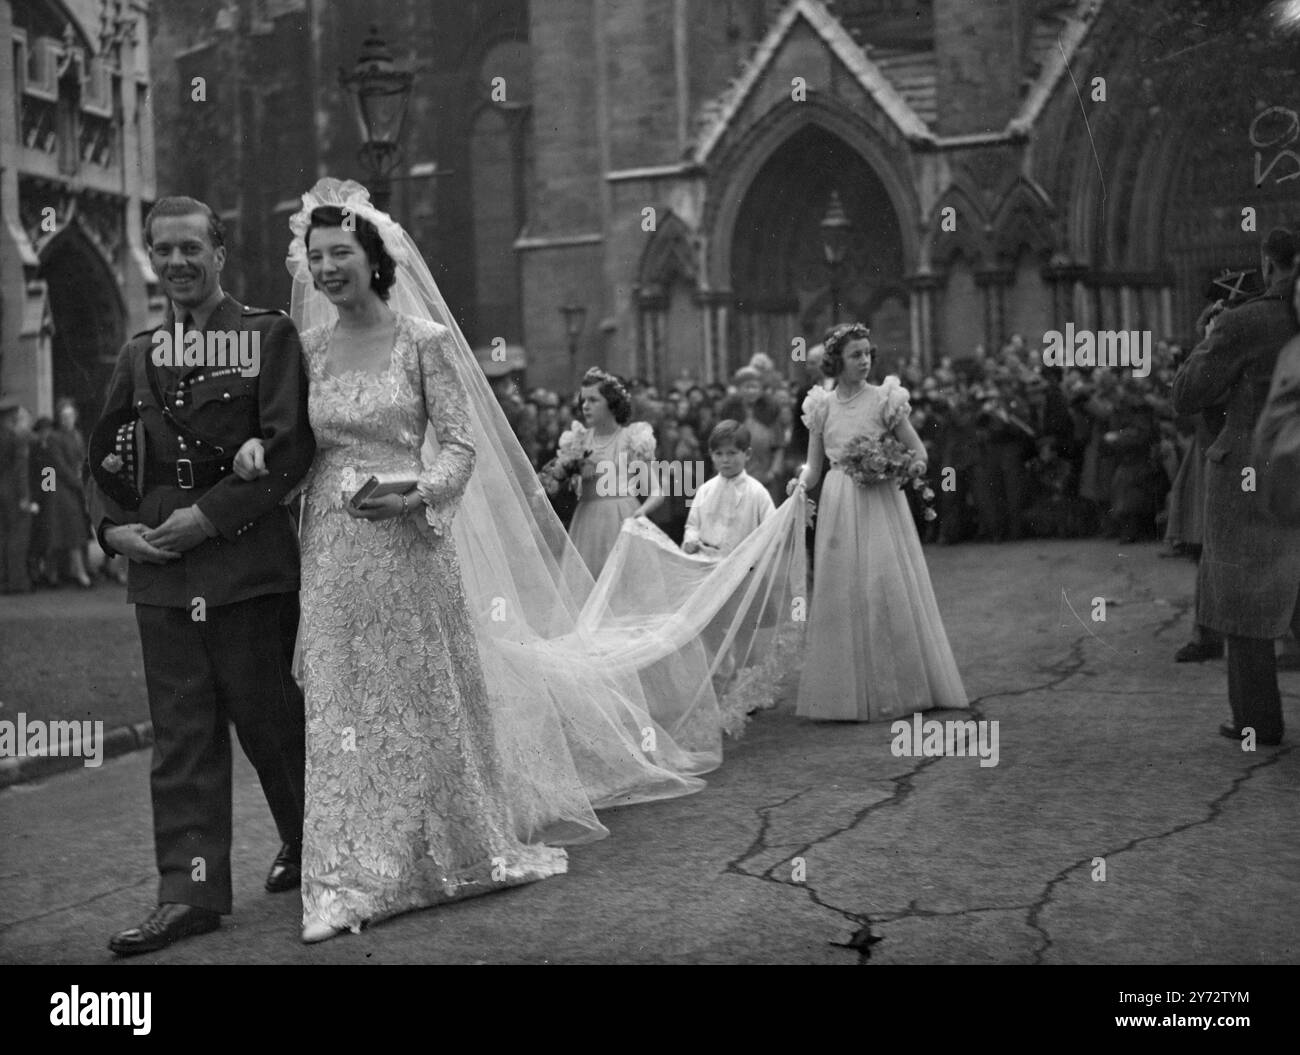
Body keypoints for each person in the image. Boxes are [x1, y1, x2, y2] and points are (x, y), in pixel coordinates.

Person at [88, 196, 316, 956]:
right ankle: (189, 895)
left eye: (192, 248)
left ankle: (312, 840)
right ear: (151, 259)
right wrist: (112, 529)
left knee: (271, 724)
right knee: (181, 742)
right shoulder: (138, 354)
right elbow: (104, 461)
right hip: (160, 577)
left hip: (247, 571)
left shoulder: (265, 337)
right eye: (164, 250)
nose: (178, 262)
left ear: (219, 250)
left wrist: (209, 517)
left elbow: (289, 451)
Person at [789, 323, 966, 721]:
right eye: (856, 355)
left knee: (881, 586)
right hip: (838, 501)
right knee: (842, 591)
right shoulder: (821, 406)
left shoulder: (885, 400)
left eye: (868, 353)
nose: (865, 361)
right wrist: (799, 484)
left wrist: (900, 466)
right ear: (837, 361)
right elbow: (815, 467)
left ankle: (898, 689)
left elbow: (918, 452)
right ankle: (844, 697)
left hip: (879, 501)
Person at [1172, 227, 1300, 747]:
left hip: (1255, 464)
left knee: (1246, 590)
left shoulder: (1248, 321)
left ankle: (1256, 721)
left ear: (1270, 265)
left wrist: (1211, 338)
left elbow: (1187, 393)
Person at [566, 367, 663, 578]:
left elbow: (656, 492)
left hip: (623, 521)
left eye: (593, 400)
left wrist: (641, 512)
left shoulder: (632, 438)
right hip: (587, 524)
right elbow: (574, 490)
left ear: (611, 403)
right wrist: (575, 476)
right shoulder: (579, 441)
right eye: (583, 400)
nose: (585, 406)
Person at [682, 420, 775, 558]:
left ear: (747, 454)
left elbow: (772, 528)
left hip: (742, 564)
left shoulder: (757, 492)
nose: (725, 459)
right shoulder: (705, 490)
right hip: (704, 561)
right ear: (711, 455)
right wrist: (691, 540)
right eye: (719, 454)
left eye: (732, 453)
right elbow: (693, 525)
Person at [46, 398, 93, 588]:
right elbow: (59, 466)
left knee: (70, 531)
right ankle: (79, 573)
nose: (68, 420)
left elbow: (81, 460)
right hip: (62, 490)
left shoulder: (77, 435)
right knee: (70, 531)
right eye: (64, 417)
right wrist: (79, 483)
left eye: (71, 416)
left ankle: (59, 572)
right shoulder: (54, 437)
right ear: (59, 418)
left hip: (75, 487)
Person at [0, 399, 35, 593]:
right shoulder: (20, 438)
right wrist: (25, 497)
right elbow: (22, 469)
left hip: (3, 492)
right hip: (17, 493)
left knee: (4, 537)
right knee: (18, 539)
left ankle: (5, 579)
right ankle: (18, 582)